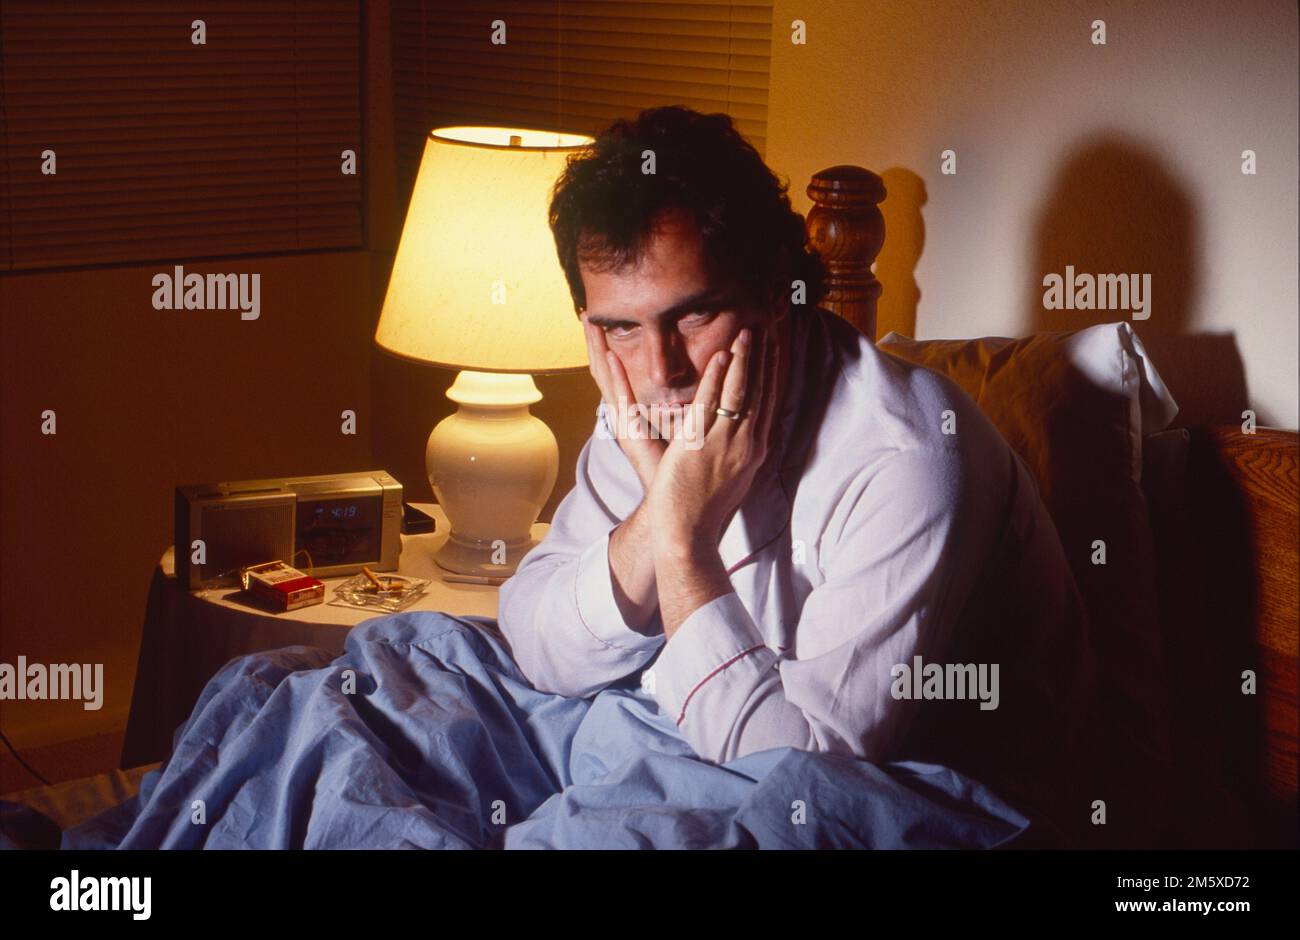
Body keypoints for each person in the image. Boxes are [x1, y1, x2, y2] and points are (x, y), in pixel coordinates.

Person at [497, 105, 1099, 846]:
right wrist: (663, 506)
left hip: (910, 806)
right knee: (404, 679)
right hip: (681, 740)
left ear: (776, 293)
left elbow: (800, 772)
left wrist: (681, 539)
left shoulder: (909, 456)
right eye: (620, 327)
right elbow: (539, 646)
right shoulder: (655, 402)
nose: (660, 369)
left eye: (695, 315)